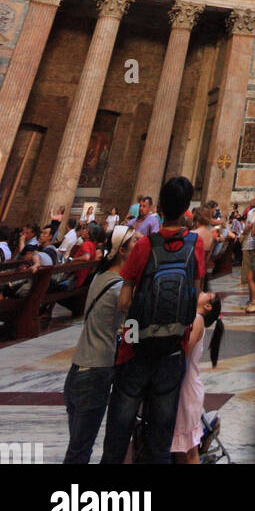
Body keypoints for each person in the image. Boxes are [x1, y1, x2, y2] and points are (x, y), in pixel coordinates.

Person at [101, 176, 205, 465]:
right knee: (161, 439)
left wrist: (134, 327)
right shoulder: (195, 245)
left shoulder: (144, 245)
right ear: (187, 211)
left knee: (118, 434)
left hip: (136, 347)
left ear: (158, 208)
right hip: (172, 348)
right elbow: (194, 296)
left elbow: (124, 302)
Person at [62, 226, 135, 464]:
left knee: (77, 447)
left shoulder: (100, 277)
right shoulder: (118, 288)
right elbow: (132, 329)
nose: (140, 247)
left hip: (78, 369)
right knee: (79, 452)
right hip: (95, 372)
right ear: (123, 250)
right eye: (135, 243)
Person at [171, 291, 224, 463]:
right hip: (186, 388)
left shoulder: (197, 319)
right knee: (180, 449)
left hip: (187, 392)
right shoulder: (193, 317)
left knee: (188, 450)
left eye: (206, 294)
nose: (200, 292)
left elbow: (185, 350)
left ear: (207, 306)